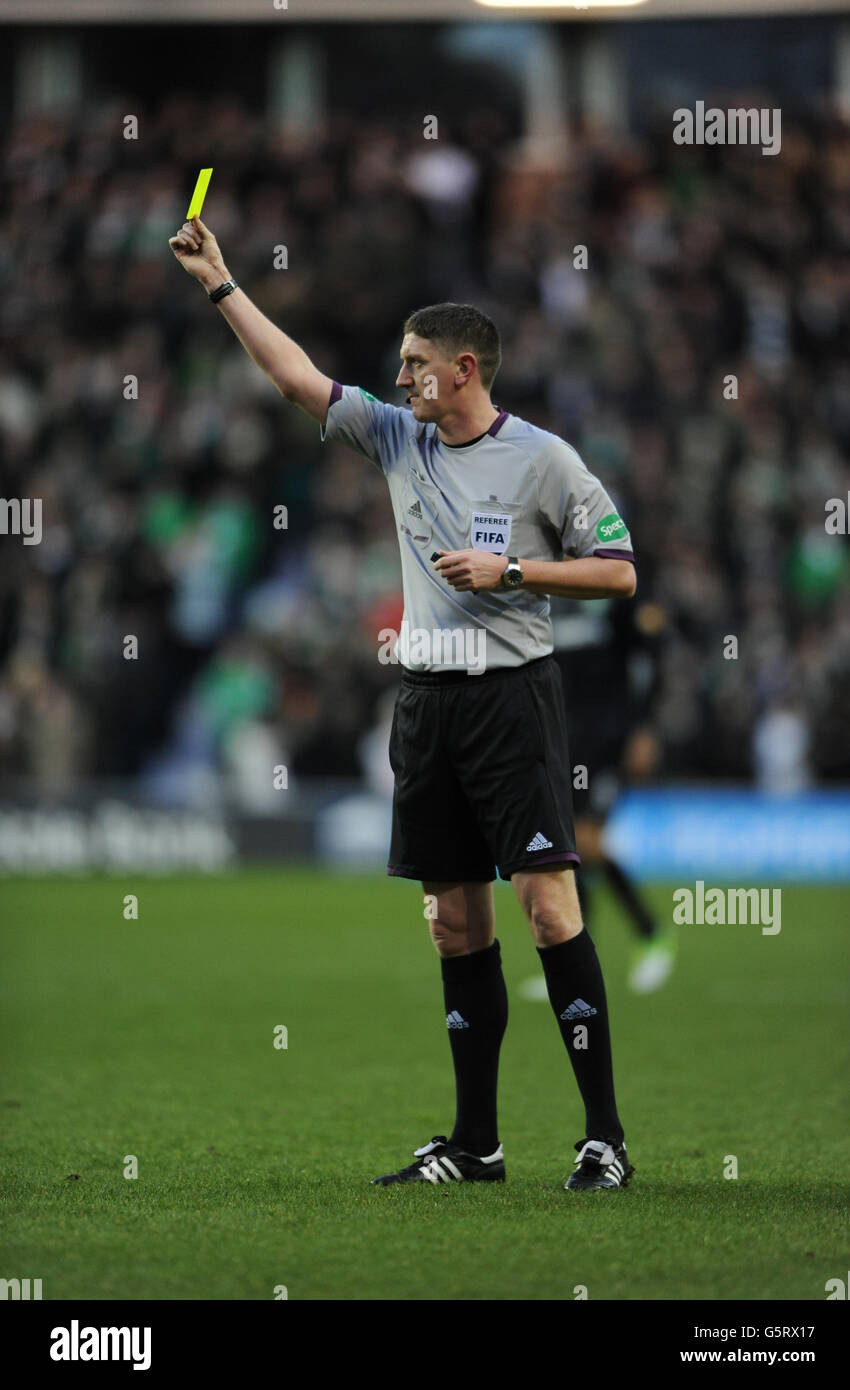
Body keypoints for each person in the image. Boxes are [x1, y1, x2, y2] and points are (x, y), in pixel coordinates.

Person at [169, 215, 638, 1192]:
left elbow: (620, 573)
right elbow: (297, 378)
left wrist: (512, 568)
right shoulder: (394, 436)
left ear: (465, 369)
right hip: (425, 709)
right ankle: (477, 1144)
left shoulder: (544, 460)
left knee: (548, 907)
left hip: (513, 700)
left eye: (415, 364)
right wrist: (220, 282)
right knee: (452, 922)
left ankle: (603, 1138)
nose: (401, 378)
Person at [551, 593, 677, 993]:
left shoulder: (613, 592)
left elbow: (650, 659)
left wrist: (645, 728)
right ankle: (577, 962)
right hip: (562, 738)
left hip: (608, 739)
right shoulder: (544, 591)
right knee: (566, 845)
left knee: (587, 840)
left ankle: (651, 931)